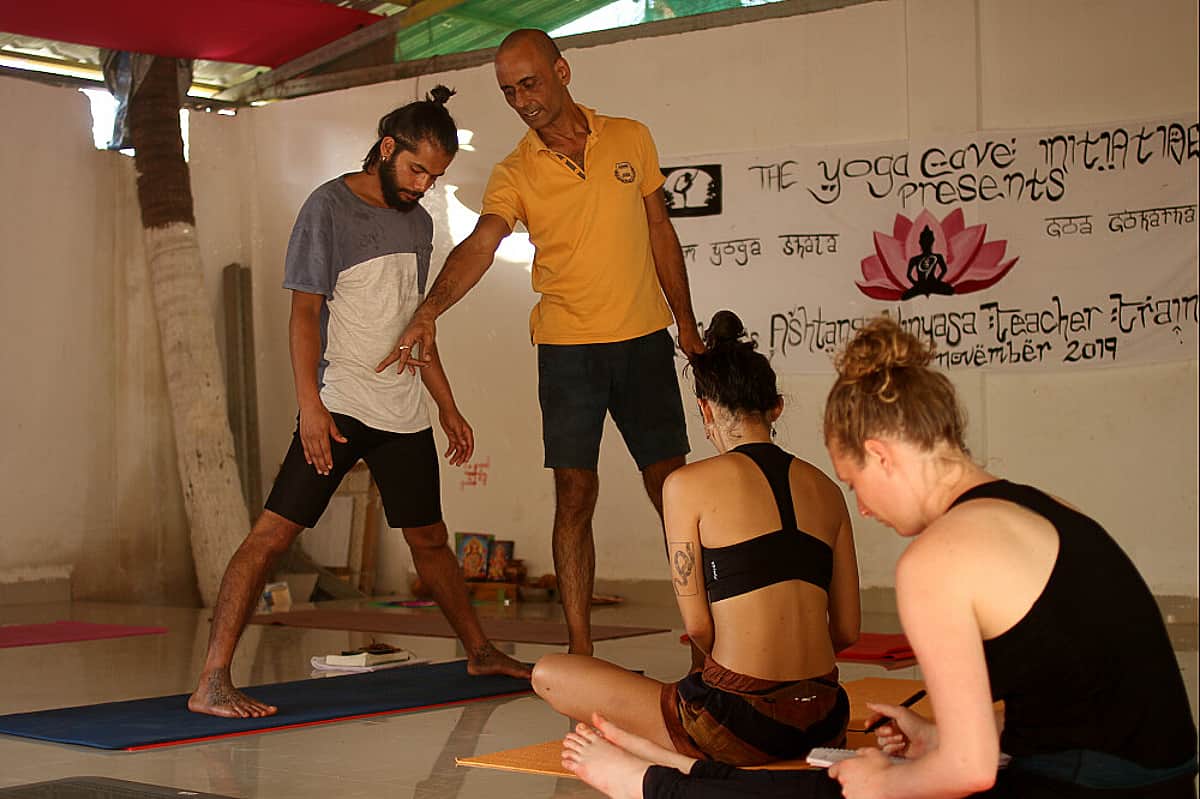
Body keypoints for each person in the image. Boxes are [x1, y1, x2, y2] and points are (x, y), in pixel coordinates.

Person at [557, 315, 1198, 799]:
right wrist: (934, 740)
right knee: (852, 775)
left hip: (1089, 787)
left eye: (855, 481)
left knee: (833, 790)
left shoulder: (938, 559)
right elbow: (1083, 699)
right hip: (1160, 783)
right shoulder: (1041, 505)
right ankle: (675, 769)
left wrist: (886, 783)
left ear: (883, 454)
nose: (861, 507)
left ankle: (650, 782)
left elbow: (971, 772)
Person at [188, 88, 529, 719]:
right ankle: (211, 680)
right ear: (386, 148)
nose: (425, 185)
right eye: (417, 169)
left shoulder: (421, 222)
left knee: (430, 541)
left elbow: (414, 325)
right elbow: (303, 315)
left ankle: (480, 651)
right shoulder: (328, 207)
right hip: (339, 405)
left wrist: (447, 406)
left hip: (402, 411)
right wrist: (309, 405)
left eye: (437, 176)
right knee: (271, 537)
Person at [379, 29, 705, 655]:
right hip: (568, 351)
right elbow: (482, 243)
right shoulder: (515, 171)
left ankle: (708, 637)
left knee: (673, 489)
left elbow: (661, 231)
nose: (521, 100)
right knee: (574, 493)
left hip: (643, 340)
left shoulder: (631, 136)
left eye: (529, 83)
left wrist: (685, 325)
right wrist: (430, 310)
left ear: (562, 71)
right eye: (508, 91)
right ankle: (581, 650)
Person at [531, 310, 861, 767]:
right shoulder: (826, 488)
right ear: (776, 407)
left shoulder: (686, 485)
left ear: (705, 408)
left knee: (550, 674)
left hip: (736, 725)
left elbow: (700, 629)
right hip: (826, 720)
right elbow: (847, 630)